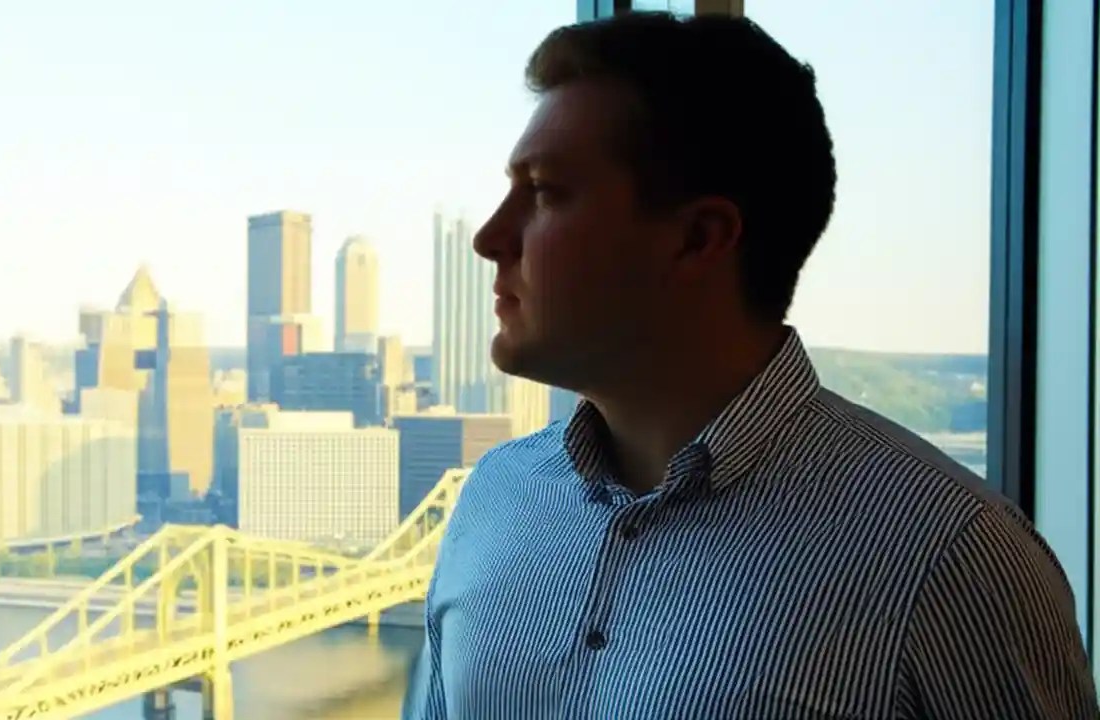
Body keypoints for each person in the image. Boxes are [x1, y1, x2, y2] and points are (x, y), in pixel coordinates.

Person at [401, 11, 1098, 720]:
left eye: (544, 193)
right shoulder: (497, 498)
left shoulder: (950, 556)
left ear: (700, 239)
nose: (490, 238)